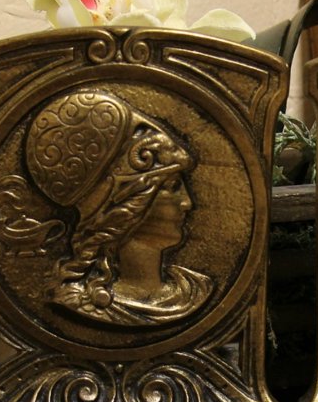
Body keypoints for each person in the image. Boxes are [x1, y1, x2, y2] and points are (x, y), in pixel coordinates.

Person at [24, 89, 212, 326]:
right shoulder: (76, 303)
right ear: (125, 203)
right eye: (173, 187)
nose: (188, 203)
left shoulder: (195, 289)